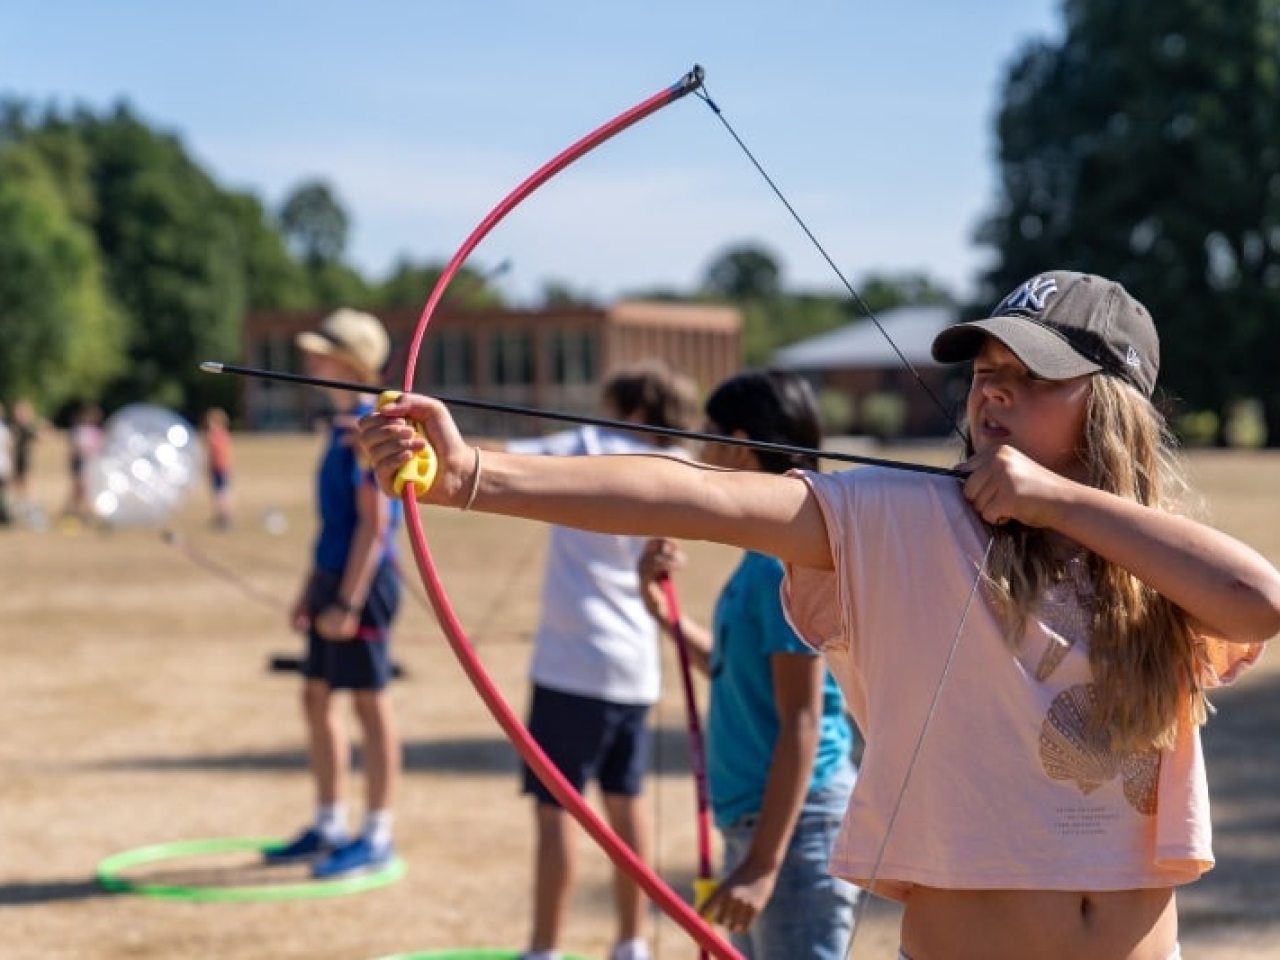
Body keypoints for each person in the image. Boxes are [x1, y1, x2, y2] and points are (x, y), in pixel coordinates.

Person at [357, 270, 1280, 960]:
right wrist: (474, 475)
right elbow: (697, 496)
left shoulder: (1150, 566)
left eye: (1035, 374)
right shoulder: (900, 519)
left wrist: (1060, 503)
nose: (993, 389)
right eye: (984, 369)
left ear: (1113, 405)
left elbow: (1262, 602)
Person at [637, 369, 860, 959]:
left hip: (795, 830)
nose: (698, 454)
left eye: (706, 435)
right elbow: (737, 673)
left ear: (737, 445)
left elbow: (803, 719)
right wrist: (663, 614)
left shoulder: (778, 565)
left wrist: (762, 864)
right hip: (763, 826)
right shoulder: (762, 556)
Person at [493, 360, 698, 960]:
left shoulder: (588, 446)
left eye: (610, 406)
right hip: (634, 667)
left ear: (632, 411)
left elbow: (500, 458)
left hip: (573, 667)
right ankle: (631, 943)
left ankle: (543, 949)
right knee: (626, 802)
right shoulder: (676, 463)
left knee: (556, 809)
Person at [263, 307, 404, 879]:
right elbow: (334, 524)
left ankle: (378, 834)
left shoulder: (369, 430)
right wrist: (310, 590)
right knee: (317, 698)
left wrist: (347, 601)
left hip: (362, 585)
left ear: (350, 363)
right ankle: (329, 825)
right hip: (332, 579)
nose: (311, 362)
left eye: (322, 354)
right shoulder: (342, 426)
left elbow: (376, 525)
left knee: (370, 705)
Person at [61, 402, 103, 524]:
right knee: (79, 488)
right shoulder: (78, 430)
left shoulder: (95, 431)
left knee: (84, 490)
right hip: (79, 463)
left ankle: (78, 512)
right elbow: (74, 449)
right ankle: (77, 512)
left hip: (90, 464)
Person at [202, 407, 234, 529]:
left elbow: (215, 453)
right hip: (221, 468)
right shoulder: (223, 434)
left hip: (219, 468)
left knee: (220, 493)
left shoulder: (214, 436)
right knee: (221, 492)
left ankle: (224, 516)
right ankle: (222, 516)